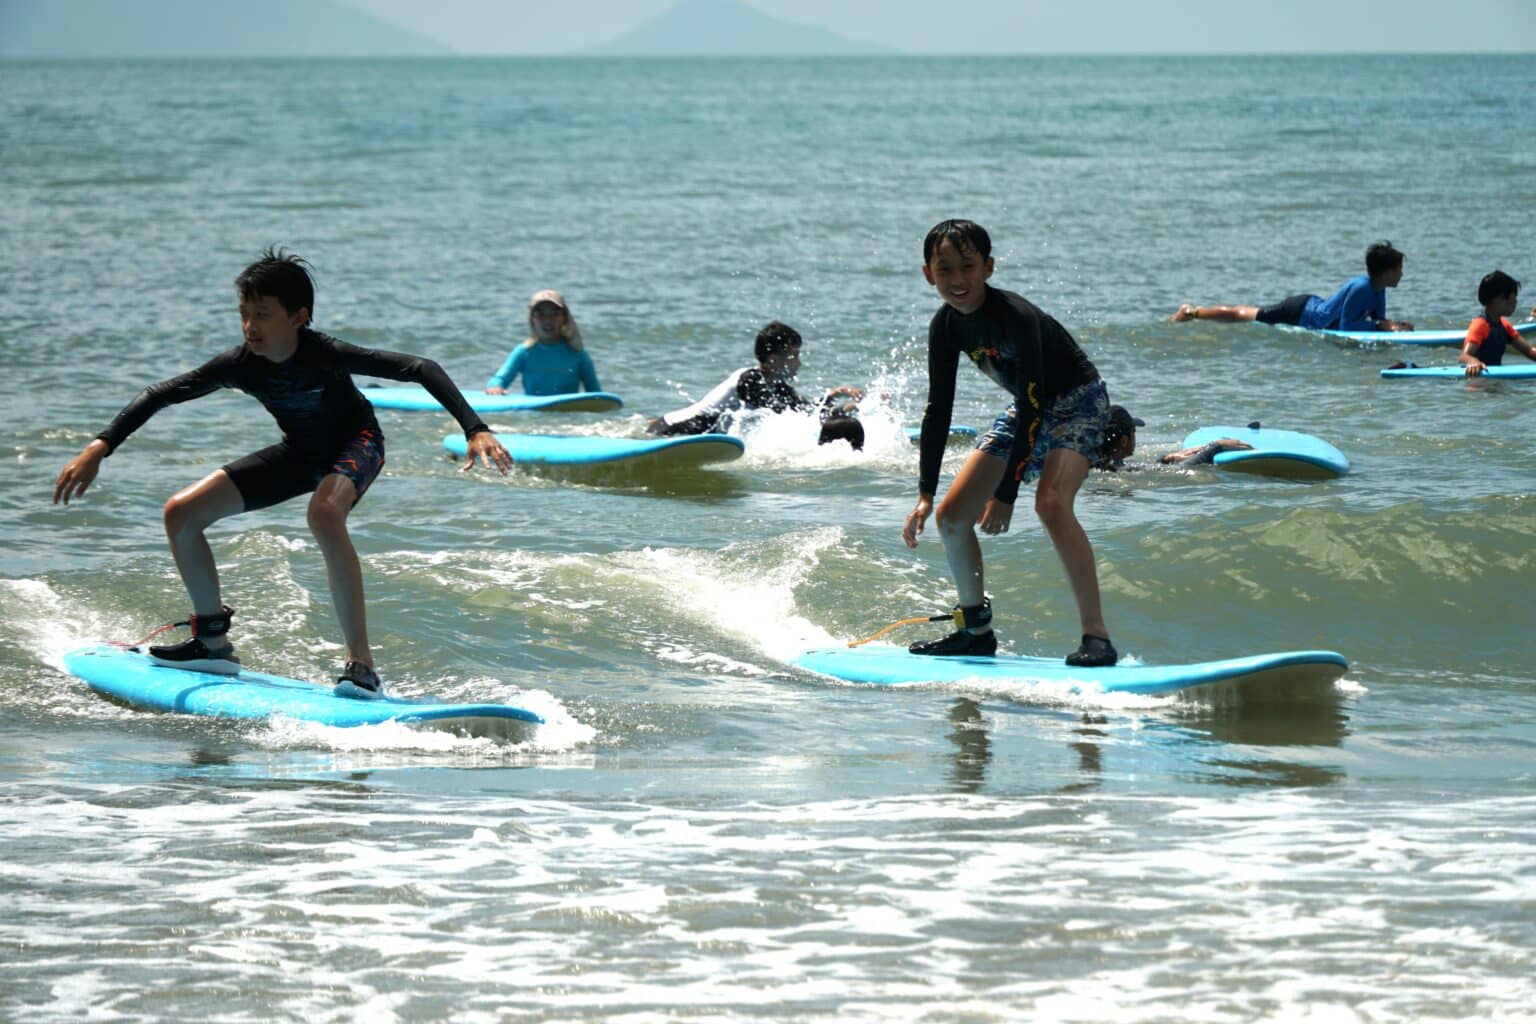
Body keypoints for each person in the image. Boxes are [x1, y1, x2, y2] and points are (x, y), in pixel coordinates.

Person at [52, 248, 513, 700]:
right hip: (299, 455)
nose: (250, 326)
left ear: (298, 316)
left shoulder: (325, 353)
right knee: (181, 513)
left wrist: (475, 428)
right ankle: (212, 643)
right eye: (244, 313)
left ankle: (362, 666)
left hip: (358, 445)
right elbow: (162, 393)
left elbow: (420, 367)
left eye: (263, 314)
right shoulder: (240, 365)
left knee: (324, 514)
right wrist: (101, 446)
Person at [902, 219, 1118, 667]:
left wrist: (1006, 494)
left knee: (1051, 503)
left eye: (968, 267)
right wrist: (925, 493)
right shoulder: (945, 327)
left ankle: (1096, 637)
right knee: (950, 517)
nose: (957, 281)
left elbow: (1035, 403)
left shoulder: (1016, 318)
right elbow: (938, 409)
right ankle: (976, 632)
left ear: (989, 267)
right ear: (928, 274)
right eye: (945, 270)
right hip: (1028, 410)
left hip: (1078, 403)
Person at [646, 321, 867, 449]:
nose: (799, 363)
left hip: (691, 438)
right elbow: (785, 414)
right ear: (773, 359)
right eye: (794, 356)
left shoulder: (778, 386)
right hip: (669, 432)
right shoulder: (749, 380)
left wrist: (840, 400)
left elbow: (806, 412)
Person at [1168, 241, 1415, 332]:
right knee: (1244, 315)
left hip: (1312, 305)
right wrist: (1383, 326)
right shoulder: (1361, 287)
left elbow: (1376, 321)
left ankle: (1194, 312)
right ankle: (1192, 312)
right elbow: (1347, 326)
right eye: (1399, 269)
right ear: (1387, 272)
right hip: (1300, 311)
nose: (1402, 274)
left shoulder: (1378, 288)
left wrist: (1389, 326)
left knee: (1248, 314)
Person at [486, 290, 601, 396]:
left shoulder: (578, 354)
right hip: (535, 417)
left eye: (555, 314)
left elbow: (596, 395)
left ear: (564, 318)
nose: (547, 320)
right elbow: (498, 380)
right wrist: (495, 388)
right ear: (532, 319)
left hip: (567, 416)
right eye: (540, 314)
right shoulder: (524, 352)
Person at [1090, 407, 1255, 470]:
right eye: (1134, 432)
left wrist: (1166, 459)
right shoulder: (1119, 471)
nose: (1136, 437)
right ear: (1124, 441)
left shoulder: (1099, 464)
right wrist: (1216, 446)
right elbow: (1181, 469)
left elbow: (1139, 469)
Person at [1459, 270, 1535, 376]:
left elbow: (1529, 350)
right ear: (1499, 299)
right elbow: (1464, 357)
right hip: (1478, 384)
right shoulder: (1480, 325)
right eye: (1514, 297)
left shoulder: (1504, 326)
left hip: (1496, 382)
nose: (1516, 302)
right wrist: (1473, 362)